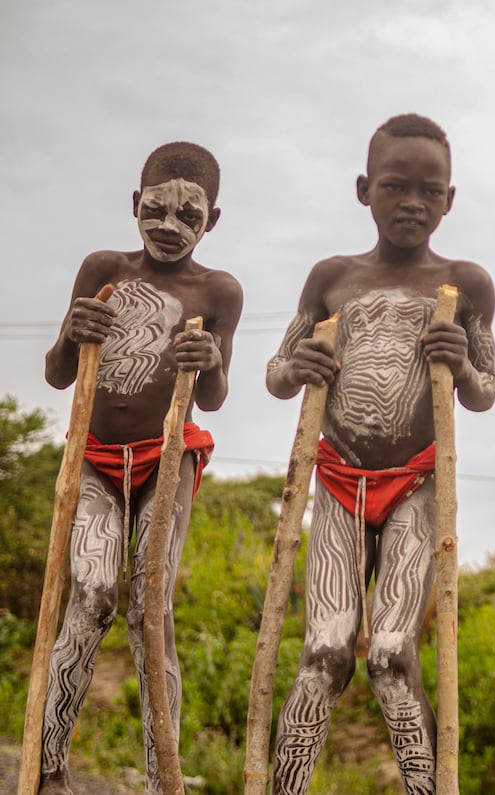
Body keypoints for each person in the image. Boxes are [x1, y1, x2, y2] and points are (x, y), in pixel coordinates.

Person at [265, 114, 495, 795]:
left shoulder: (465, 283)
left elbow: (485, 392)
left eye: (431, 190)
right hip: (338, 479)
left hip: (416, 485)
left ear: (450, 199)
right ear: (365, 188)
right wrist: (299, 363)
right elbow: (277, 373)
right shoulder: (333, 277)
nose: (413, 203)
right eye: (396, 186)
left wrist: (461, 364)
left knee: (393, 655)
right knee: (322, 652)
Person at [40, 141, 243, 794]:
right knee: (90, 596)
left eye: (188, 216)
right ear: (135, 204)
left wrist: (207, 356)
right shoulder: (104, 268)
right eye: (155, 209)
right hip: (96, 457)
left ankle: (164, 781)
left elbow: (214, 396)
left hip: (167, 457)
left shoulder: (217, 290)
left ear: (211, 221)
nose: (168, 226)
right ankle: (47, 765)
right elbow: (56, 372)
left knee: (149, 611)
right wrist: (75, 329)